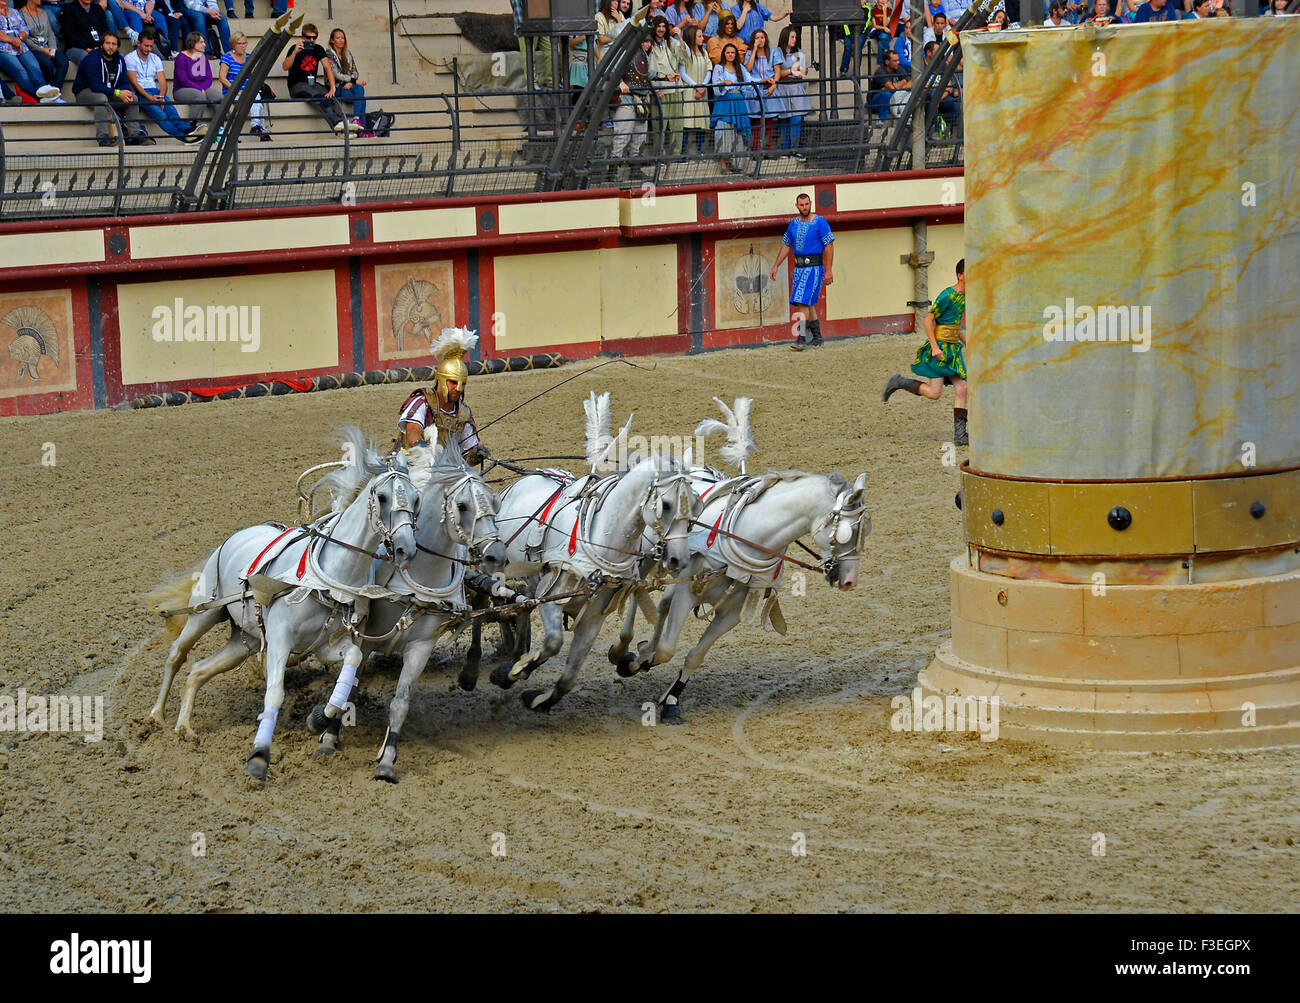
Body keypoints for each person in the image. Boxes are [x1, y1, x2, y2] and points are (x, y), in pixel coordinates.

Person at [882, 258, 968, 445]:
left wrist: (965, 341)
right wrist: (935, 347)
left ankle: (960, 435)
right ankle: (900, 382)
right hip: (941, 349)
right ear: (960, 275)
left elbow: (953, 325)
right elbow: (928, 320)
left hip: (953, 350)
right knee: (934, 393)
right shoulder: (947, 295)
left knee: (962, 388)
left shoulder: (965, 298)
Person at [397, 328, 488, 463]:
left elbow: (466, 457)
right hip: (411, 466)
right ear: (440, 380)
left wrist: (475, 456)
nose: (458, 388)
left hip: (445, 473)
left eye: (462, 384)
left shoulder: (463, 413)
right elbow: (412, 431)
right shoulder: (423, 401)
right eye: (453, 382)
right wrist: (421, 446)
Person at [770, 192, 834, 350]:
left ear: (810, 203)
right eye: (801, 204)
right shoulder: (794, 224)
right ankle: (818, 338)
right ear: (797, 206)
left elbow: (829, 246)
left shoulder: (820, 222)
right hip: (799, 268)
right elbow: (786, 245)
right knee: (807, 303)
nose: (805, 207)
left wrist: (829, 270)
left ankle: (801, 338)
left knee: (802, 300)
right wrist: (776, 265)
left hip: (813, 268)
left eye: (807, 204)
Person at [124, 25, 200, 141]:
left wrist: (161, 96)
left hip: (156, 91)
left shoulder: (155, 58)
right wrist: (150, 98)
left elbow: (163, 82)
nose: (149, 49)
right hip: (140, 93)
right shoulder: (129, 58)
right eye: (146, 46)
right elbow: (134, 83)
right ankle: (184, 137)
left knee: (171, 110)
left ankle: (188, 130)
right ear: (139, 44)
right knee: (160, 115)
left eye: (151, 46)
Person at [73, 30, 149, 144]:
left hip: (108, 92)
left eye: (114, 44)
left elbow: (124, 82)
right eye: (108, 43)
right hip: (85, 92)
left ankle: (134, 135)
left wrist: (125, 92)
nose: (110, 47)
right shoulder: (93, 58)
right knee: (101, 98)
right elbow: (95, 86)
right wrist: (118, 93)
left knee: (133, 98)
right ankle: (103, 137)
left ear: (118, 46)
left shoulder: (120, 60)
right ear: (102, 44)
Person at [283, 22, 355, 134]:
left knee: (330, 96)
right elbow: (285, 66)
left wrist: (332, 87)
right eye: (308, 37)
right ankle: (337, 124)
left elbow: (327, 67)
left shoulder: (318, 49)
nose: (311, 40)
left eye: (314, 38)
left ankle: (344, 123)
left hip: (312, 84)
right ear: (302, 37)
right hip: (296, 85)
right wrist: (294, 53)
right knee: (319, 96)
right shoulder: (294, 48)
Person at [609, 32, 652, 176]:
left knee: (639, 136)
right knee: (622, 134)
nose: (646, 44)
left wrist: (664, 76)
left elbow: (645, 73)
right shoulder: (622, 53)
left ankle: (635, 169)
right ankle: (613, 171)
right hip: (627, 98)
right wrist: (620, 82)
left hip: (643, 98)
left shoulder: (643, 55)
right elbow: (610, 70)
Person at [218, 30, 270, 139]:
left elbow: (254, 75)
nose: (243, 46)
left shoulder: (249, 57)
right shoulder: (227, 57)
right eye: (240, 43)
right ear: (233, 44)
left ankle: (256, 126)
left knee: (257, 97)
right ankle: (262, 131)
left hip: (247, 91)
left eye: (244, 43)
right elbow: (222, 78)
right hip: (231, 91)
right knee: (256, 99)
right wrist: (237, 91)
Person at [0, 0, 55, 99]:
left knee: (34, 66)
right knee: (21, 71)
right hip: (3, 49)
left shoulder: (14, 12)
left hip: (20, 46)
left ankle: (43, 88)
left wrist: (19, 38)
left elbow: (25, 29)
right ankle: (39, 97)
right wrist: (13, 40)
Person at [710, 41, 750, 172]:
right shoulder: (719, 68)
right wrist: (723, 83)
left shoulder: (741, 68)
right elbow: (717, 85)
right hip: (725, 102)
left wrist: (764, 81)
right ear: (724, 54)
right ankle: (723, 164)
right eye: (728, 52)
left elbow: (750, 81)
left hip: (739, 103)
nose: (731, 55)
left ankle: (737, 164)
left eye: (733, 52)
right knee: (724, 129)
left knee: (739, 134)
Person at [648, 16, 684, 157]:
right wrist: (656, 88)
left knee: (677, 126)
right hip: (660, 90)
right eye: (658, 26)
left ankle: (676, 155)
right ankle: (660, 156)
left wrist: (680, 37)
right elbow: (649, 68)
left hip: (675, 89)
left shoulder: (672, 42)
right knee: (659, 126)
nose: (661, 29)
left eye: (663, 26)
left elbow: (684, 57)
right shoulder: (649, 44)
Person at [325, 27, 369, 136]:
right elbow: (336, 75)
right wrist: (354, 81)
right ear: (332, 40)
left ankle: (357, 119)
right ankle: (363, 129)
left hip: (348, 86)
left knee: (360, 90)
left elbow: (355, 71)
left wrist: (352, 82)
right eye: (338, 38)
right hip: (336, 87)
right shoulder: (329, 54)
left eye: (343, 38)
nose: (341, 40)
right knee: (361, 96)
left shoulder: (347, 53)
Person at [773, 24, 809, 155]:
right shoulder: (776, 52)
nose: (794, 39)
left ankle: (795, 148)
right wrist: (790, 70)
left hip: (796, 88)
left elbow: (805, 70)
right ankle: (784, 149)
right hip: (782, 88)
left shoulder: (799, 52)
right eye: (792, 37)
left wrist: (797, 70)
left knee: (797, 118)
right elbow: (775, 73)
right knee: (783, 119)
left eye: (795, 37)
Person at [17, 0, 67, 94]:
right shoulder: (21, 14)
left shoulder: (44, 12)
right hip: (34, 49)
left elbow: (50, 33)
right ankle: (50, 92)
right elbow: (25, 38)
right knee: (48, 64)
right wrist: (42, 50)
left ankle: (56, 91)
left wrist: (52, 49)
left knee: (63, 62)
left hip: (48, 47)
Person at [173, 31, 221, 126]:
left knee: (218, 97)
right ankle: (192, 126)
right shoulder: (181, 58)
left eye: (204, 42)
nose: (204, 44)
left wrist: (202, 88)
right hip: (182, 90)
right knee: (200, 97)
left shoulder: (203, 58)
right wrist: (200, 89)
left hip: (202, 88)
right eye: (201, 42)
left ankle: (219, 128)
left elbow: (209, 78)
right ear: (193, 43)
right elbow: (183, 80)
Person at [743, 27, 780, 150]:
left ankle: (767, 148)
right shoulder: (749, 53)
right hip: (755, 89)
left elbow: (777, 71)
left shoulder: (773, 52)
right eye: (757, 38)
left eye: (762, 37)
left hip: (769, 88)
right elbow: (748, 69)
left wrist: (774, 84)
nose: (760, 40)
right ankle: (756, 149)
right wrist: (754, 49)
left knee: (768, 121)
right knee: (756, 120)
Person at [678, 23, 711, 154]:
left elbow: (709, 69)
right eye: (699, 36)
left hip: (702, 92)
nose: (702, 38)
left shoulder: (704, 52)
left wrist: (703, 86)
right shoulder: (685, 52)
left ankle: (699, 151)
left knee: (701, 122)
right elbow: (683, 72)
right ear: (692, 37)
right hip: (689, 92)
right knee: (687, 122)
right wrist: (696, 86)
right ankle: (683, 153)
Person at [868, 47, 908, 120]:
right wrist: (903, 83)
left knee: (906, 93)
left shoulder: (898, 68)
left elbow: (910, 82)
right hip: (875, 102)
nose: (898, 62)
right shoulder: (880, 72)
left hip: (893, 99)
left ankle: (905, 120)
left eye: (898, 60)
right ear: (887, 62)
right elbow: (892, 88)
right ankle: (882, 120)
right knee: (886, 94)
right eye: (895, 61)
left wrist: (898, 85)